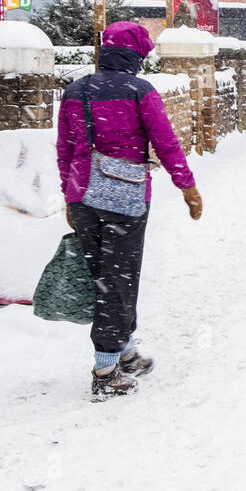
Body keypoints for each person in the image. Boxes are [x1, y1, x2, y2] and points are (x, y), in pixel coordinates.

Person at [56, 22, 202, 400]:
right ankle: (105, 371)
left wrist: (68, 196)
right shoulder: (140, 91)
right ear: (136, 55)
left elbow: (65, 148)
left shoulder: (76, 90)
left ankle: (125, 351)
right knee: (118, 280)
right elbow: (166, 142)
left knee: (106, 278)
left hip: (83, 194)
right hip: (126, 196)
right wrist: (186, 185)